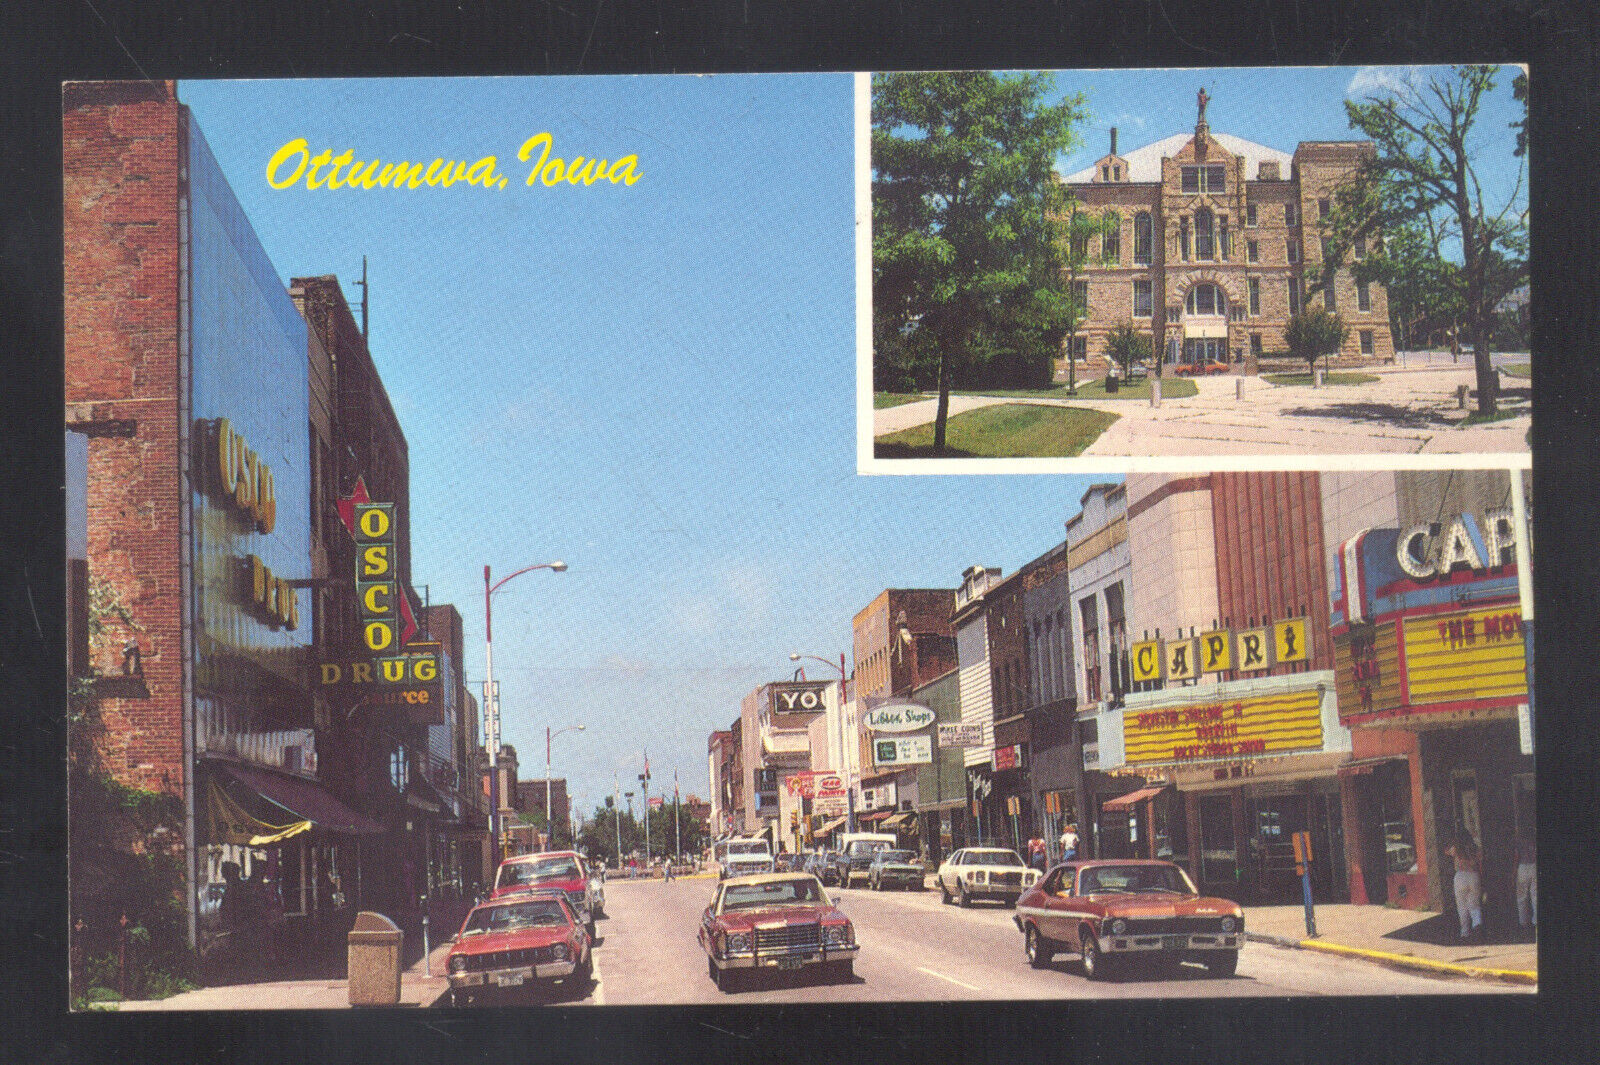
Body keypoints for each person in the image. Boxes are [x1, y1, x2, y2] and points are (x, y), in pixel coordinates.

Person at [1445, 833, 1483, 940]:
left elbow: (1446, 851)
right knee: (1474, 904)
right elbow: (1480, 861)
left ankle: (1465, 932)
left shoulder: (1456, 848)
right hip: (1474, 875)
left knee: (1462, 906)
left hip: (1460, 876)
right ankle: (1477, 923)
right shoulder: (1475, 848)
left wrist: (1453, 842)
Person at [1514, 833, 1537, 930]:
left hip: (1522, 867)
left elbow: (1516, 857)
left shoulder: (1519, 842)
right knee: (1535, 895)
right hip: (1533, 866)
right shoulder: (1534, 841)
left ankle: (1523, 922)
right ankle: (1535, 920)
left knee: (1521, 896)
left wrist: (1514, 872)